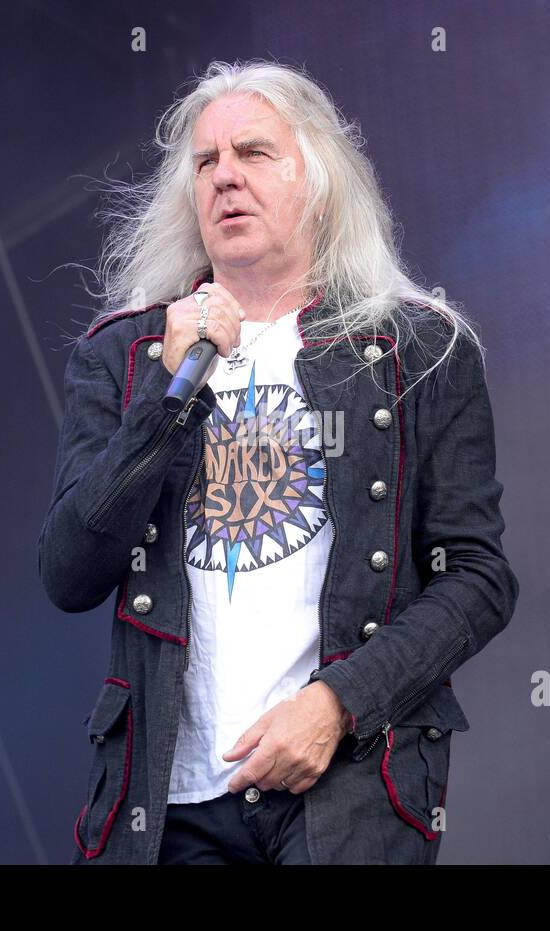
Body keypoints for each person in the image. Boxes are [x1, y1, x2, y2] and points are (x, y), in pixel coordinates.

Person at [38, 58, 519, 864]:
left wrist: (339, 702)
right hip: (172, 802)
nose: (226, 176)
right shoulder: (124, 355)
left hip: (350, 788)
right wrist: (165, 392)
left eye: (254, 153)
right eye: (206, 162)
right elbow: (68, 573)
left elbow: (477, 575)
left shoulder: (416, 349)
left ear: (318, 179)